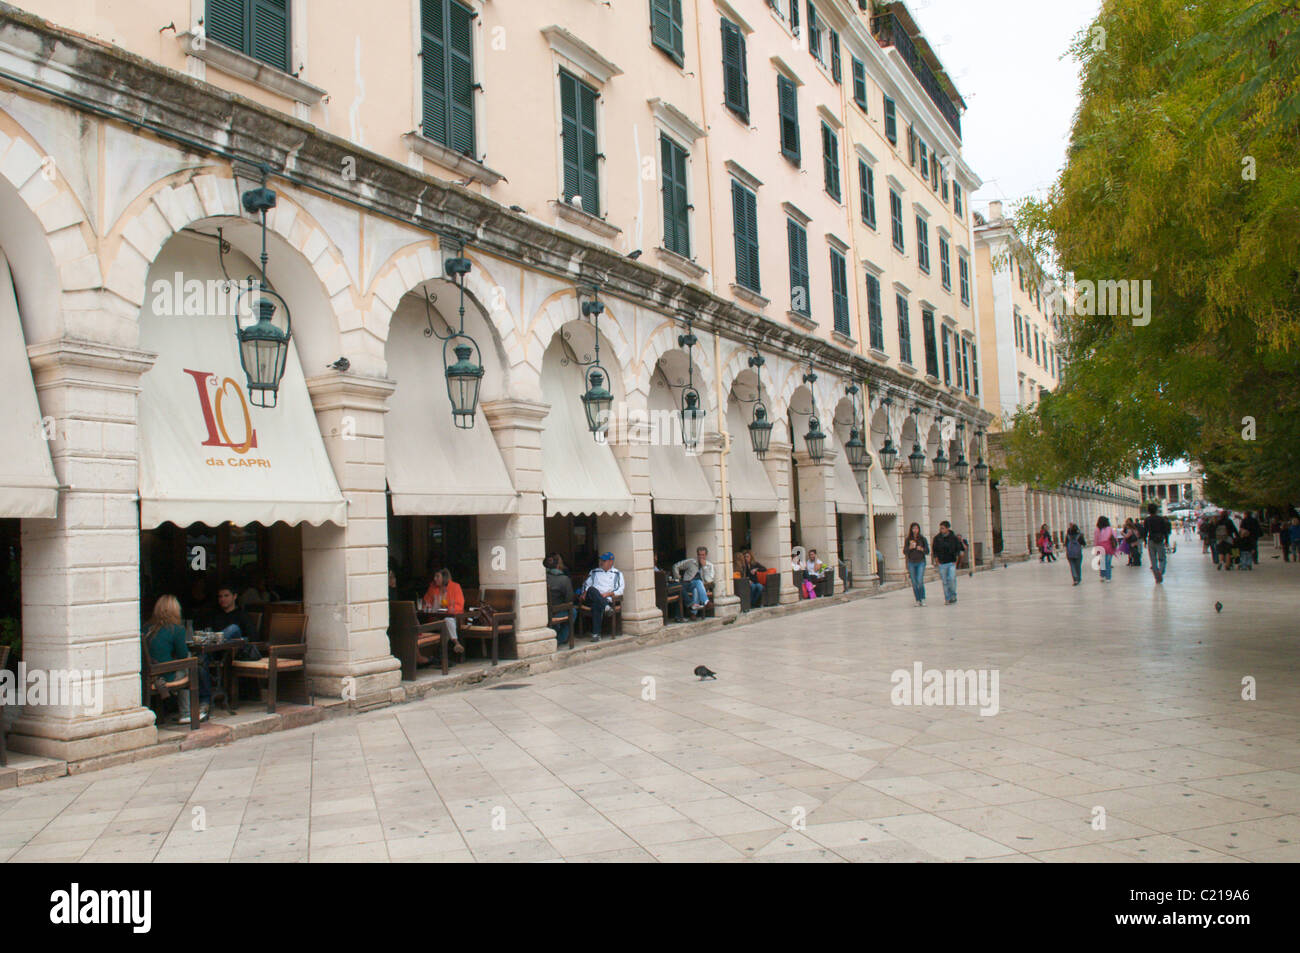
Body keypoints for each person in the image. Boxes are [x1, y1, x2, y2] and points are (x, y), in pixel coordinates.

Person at [145, 594, 210, 724]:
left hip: (150, 675)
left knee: (188, 663)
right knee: (190, 665)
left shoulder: (147, 628)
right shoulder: (176, 629)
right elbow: (182, 654)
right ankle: (186, 712)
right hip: (166, 675)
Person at [581, 552, 624, 642]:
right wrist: (584, 592)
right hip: (592, 596)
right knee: (592, 589)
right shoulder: (594, 572)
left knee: (597, 604)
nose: (601, 562)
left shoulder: (617, 574)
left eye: (604, 561)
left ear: (611, 562)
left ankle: (596, 634)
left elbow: (620, 590)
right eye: (601, 560)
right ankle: (606, 608)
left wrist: (607, 594)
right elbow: (586, 585)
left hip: (606, 598)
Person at [422, 569, 466, 657]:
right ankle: (455, 643)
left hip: (454, 618)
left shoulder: (455, 587)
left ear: (444, 577)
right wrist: (429, 606)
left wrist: (447, 609)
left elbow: (459, 605)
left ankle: (440, 653)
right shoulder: (432, 588)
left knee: (447, 620)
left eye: (437, 576)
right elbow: (426, 602)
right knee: (446, 622)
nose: (435, 579)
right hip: (435, 618)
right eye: (434, 576)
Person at [673, 547, 715, 617]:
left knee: (696, 588)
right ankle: (706, 602)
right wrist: (678, 577)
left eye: (703, 555)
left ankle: (693, 613)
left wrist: (704, 567)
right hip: (688, 584)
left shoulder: (710, 565)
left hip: (702, 587)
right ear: (697, 555)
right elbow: (675, 566)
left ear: (706, 555)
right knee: (698, 582)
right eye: (699, 555)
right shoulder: (691, 562)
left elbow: (709, 580)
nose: (701, 557)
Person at [932, 521, 966, 605]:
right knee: (944, 581)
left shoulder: (953, 538)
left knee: (951, 579)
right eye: (940, 528)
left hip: (951, 562)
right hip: (942, 563)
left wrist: (956, 560)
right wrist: (937, 560)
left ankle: (953, 595)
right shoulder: (937, 538)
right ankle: (947, 598)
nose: (941, 530)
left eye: (943, 528)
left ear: (947, 528)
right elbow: (934, 550)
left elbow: (958, 549)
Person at [545, 554, 576, 646]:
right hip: (556, 610)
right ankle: (560, 639)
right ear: (558, 565)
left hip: (544, 610)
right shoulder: (564, 579)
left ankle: (556, 631)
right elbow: (569, 599)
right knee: (573, 611)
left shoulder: (543, 577)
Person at [1142, 502, 1172, 584]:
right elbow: (1165, 531)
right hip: (1160, 540)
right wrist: (1166, 540)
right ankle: (1161, 571)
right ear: (1156, 510)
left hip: (1151, 540)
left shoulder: (1147, 520)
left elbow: (1145, 531)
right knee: (1162, 558)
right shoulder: (1161, 519)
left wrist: (1145, 541)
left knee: (1153, 559)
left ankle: (1157, 576)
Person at [903, 523, 929, 606]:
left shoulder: (922, 539)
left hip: (921, 561)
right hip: (911, 562)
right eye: (913, 528)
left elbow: (927, 551)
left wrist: (921, 549)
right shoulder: (908, 540)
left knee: (919, 580)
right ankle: (917, 600)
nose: (915, 530)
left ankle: (922, 598)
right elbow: (904, 551)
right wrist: (909, 548)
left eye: (916, 528)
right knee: (914, 582)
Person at [1094, 516, 1117, 582]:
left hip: (1100, 547)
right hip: (1109, 547)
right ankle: (1108, 577)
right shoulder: (1110, 528)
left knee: (1102, 562)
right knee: (1108, 562)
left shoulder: (1097, 529)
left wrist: (1096, 548)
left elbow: (1096, 540)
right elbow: (1114, 537)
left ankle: (1102, 576)